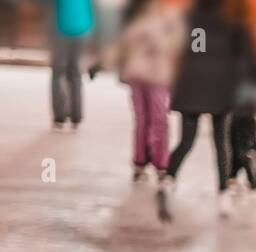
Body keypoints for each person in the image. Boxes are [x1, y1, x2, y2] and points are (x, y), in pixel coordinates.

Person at [158, 0, 256, 222]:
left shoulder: (192, 14)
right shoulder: (234, 16)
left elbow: (184, 45)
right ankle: (223, 194)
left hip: (192, 82)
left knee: (186, 140)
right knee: (221, 142)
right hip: (220, 85)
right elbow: (247, 53)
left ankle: (168, 180)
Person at [93, 0, 185, 179]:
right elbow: (122, 43)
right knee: (145, 119)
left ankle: (158, 161)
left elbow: (177, 43)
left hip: (157, 74)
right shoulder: (137, 14)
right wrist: (102, 63)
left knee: (157, 118)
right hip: (139, 73)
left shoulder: (169, 15)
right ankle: (143, 161)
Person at [50, 0, 96, 131]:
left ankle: (59, 116)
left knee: (58, 72)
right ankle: (76, 115)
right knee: (75, 73)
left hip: (62, 26)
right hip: (83, 26)